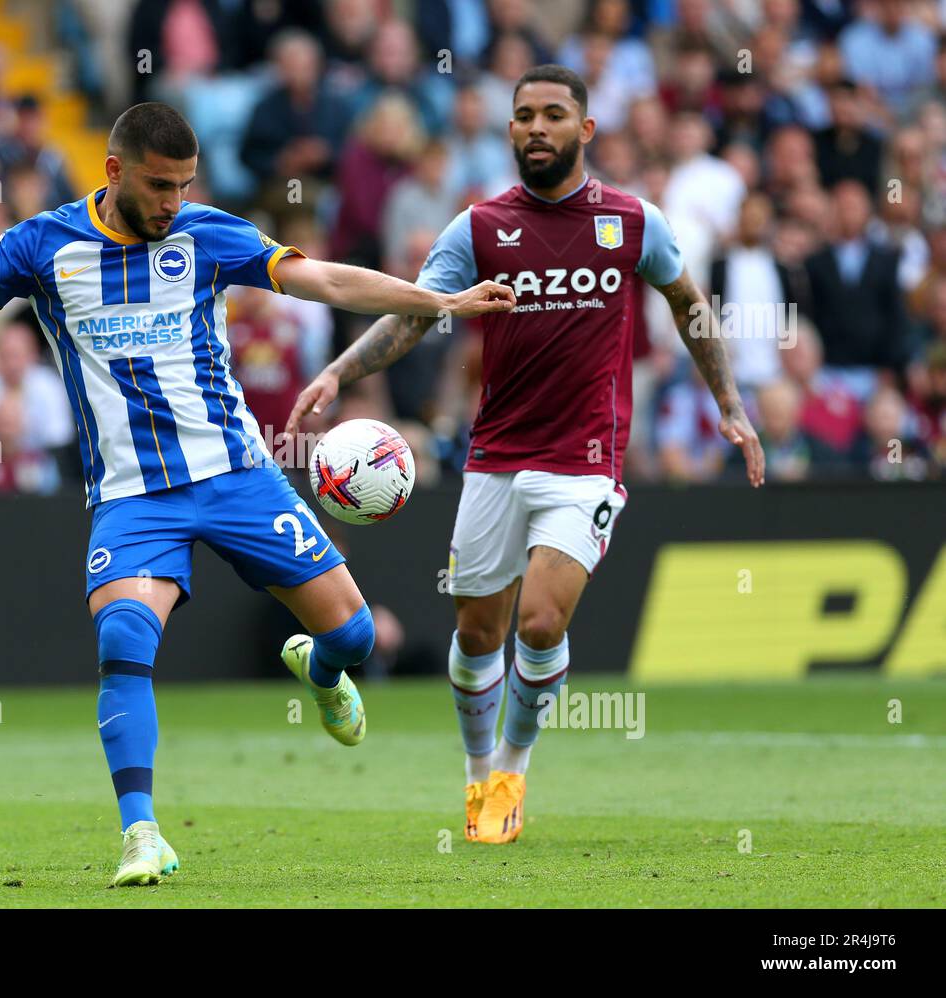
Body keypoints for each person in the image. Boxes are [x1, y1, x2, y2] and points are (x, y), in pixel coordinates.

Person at [0, 101, 514, 886]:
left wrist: (438, 302)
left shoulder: (207, 234)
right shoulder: (43, 244)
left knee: (353, 639)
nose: (174, 201)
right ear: (114, 172)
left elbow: (322, 277)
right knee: (123, 644)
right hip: (135, 496)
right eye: (159, 185)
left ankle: (318, 671)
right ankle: (142, 834)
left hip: (238, 474)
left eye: (184, 185)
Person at [286, 64, 764, 847]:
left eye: (552, 114)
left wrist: (733, 406)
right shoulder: (478, 227)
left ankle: (512, 768)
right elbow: (416, 315)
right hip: (496, 456)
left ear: (586, 129)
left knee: (540, 622)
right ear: (509, 131)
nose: (535, 127)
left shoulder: (634, 222)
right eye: (522, 116)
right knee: (479, 633)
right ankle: (477, 776)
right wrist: (341, 371)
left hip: (585, 459)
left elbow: (689, 306)